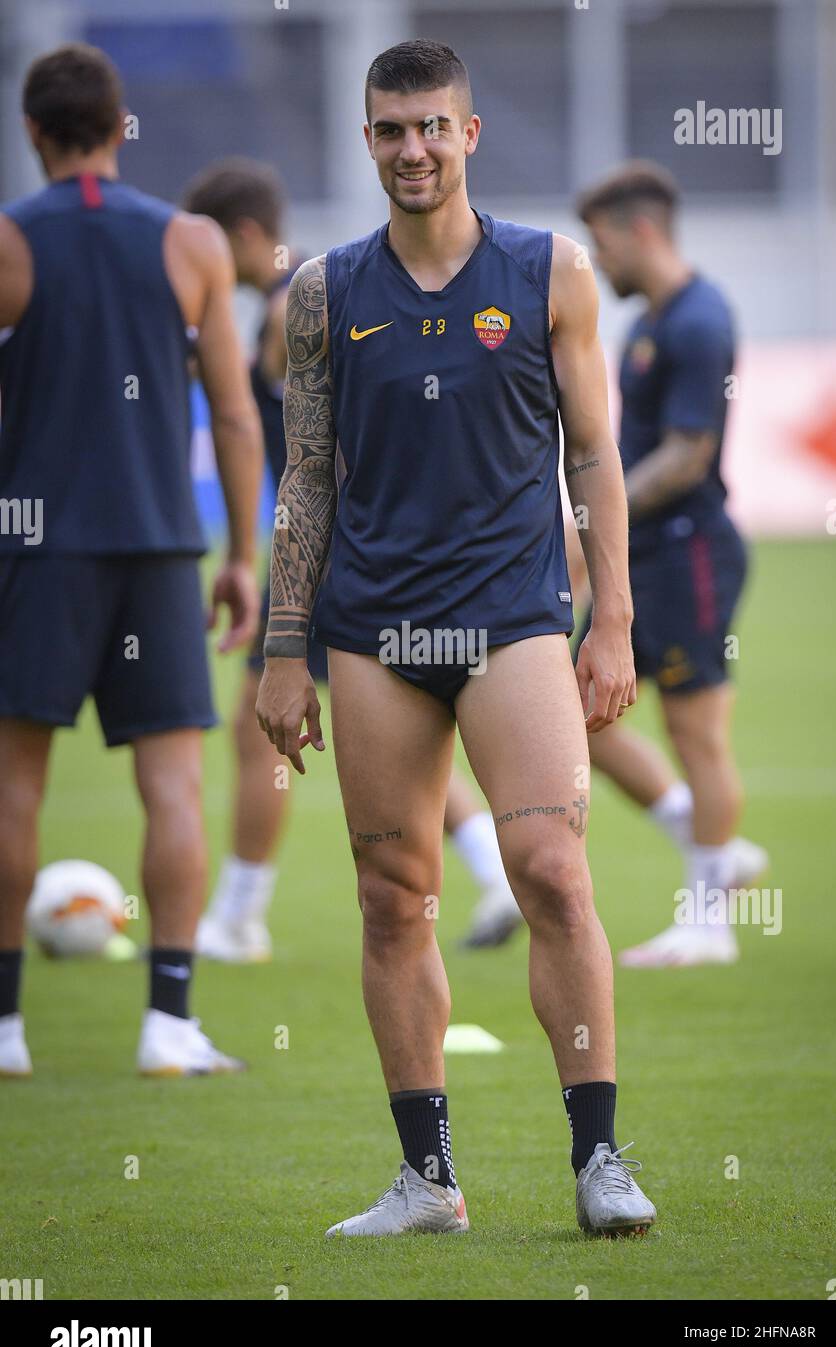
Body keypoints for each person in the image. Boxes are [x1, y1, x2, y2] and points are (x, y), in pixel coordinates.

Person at [256, 39, 656, 1237]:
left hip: (514, 621)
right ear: (367, 139)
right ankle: (426, 1181)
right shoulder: (321, 293)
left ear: (468, 135)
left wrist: (614, 618)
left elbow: (591, 455)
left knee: (550, 874)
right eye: (389, 130)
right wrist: (285, 647)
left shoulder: (551, 273)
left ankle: (598, 1161)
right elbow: (309, 476)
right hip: (370, 631)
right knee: (393, 900)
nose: (411, 149)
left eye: (431, 127)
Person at [183, 158, 524, 961]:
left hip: (324, 553)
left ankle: (238, 913)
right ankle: (495, 871)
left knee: (253, 729)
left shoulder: (282, 315)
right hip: (370, 548)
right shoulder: (325, 294)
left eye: (206, 243)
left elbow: (256, 413)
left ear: (241, 236)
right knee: (406, 742)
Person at [0, 43, 263, 1076]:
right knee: (174, 788)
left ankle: (7, 1030)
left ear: (32, 134)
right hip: (158, 544)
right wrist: (242, 554)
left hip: (35, 549)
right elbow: (237, 416)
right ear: (121, 126)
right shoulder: (193, 242)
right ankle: (169, 1023)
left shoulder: (11, 242)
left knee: (17, 791)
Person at [575, 161, 767, 968]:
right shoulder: (650, 323)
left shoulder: (698, 321)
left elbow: (688, 456)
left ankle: (708, 923)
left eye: (601, 244)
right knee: (578, 715)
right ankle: (717, 849)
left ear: (639, 231)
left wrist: (598, 506)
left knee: (697, 734)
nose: (598, 262)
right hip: (642, 556)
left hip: (689, 551)